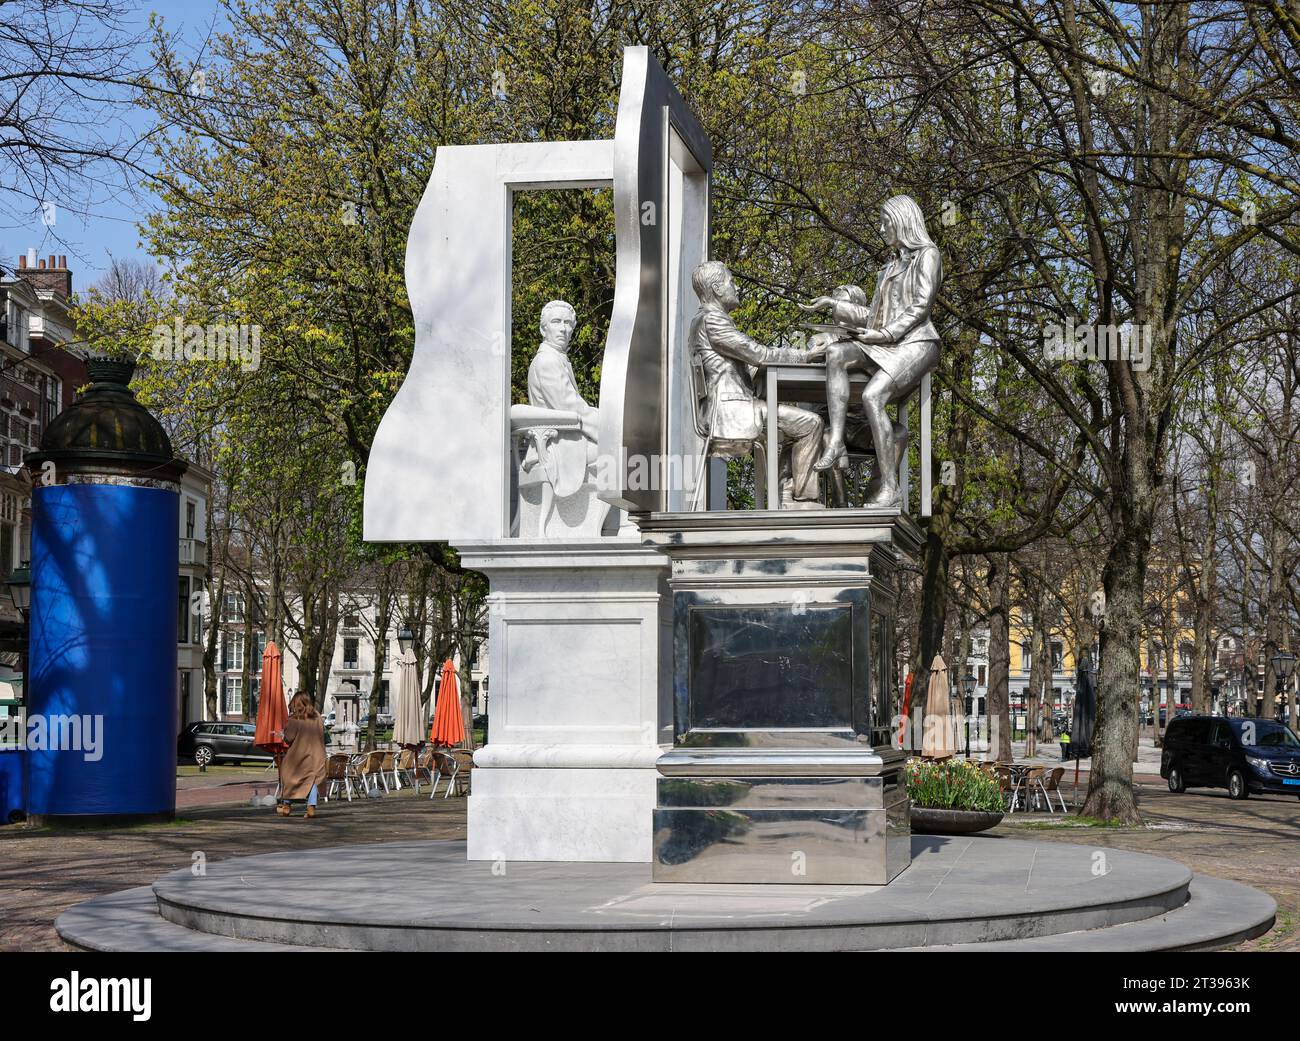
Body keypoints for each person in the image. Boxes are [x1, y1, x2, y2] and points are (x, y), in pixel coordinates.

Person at [801, 195, 943, 508]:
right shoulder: (888, 268)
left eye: (885, 222)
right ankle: (836, 440)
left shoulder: (927, 255)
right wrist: (835, 305)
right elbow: (874, 316)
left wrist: (883, 334)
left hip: (917, 343)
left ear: (902, 220)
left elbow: (920, 307)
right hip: (887, 342)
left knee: (872, 396)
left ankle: (890, 489)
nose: (880, 228)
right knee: (836, 354)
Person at [690, 260, 824, 504]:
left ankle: (785, 495)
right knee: (811, 423)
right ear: (718, 289)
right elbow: (758, 353)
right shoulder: (713, 321)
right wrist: (805, 356)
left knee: (792, 426)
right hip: (732, 412)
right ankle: (803, 501)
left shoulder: (703, 321)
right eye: (731, 282)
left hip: (725, 408)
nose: (736, 287)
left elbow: (741, 364)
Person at [276, 692, 328, 818]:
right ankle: (311, 807)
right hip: (317, 755)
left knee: (289, 778)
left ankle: (287, 805)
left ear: (297, 703)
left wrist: (282, 734)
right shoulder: (317, 717)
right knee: (313, 780)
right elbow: (323, 734)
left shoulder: (295, 719)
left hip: (298, 757)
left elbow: (289, 738)